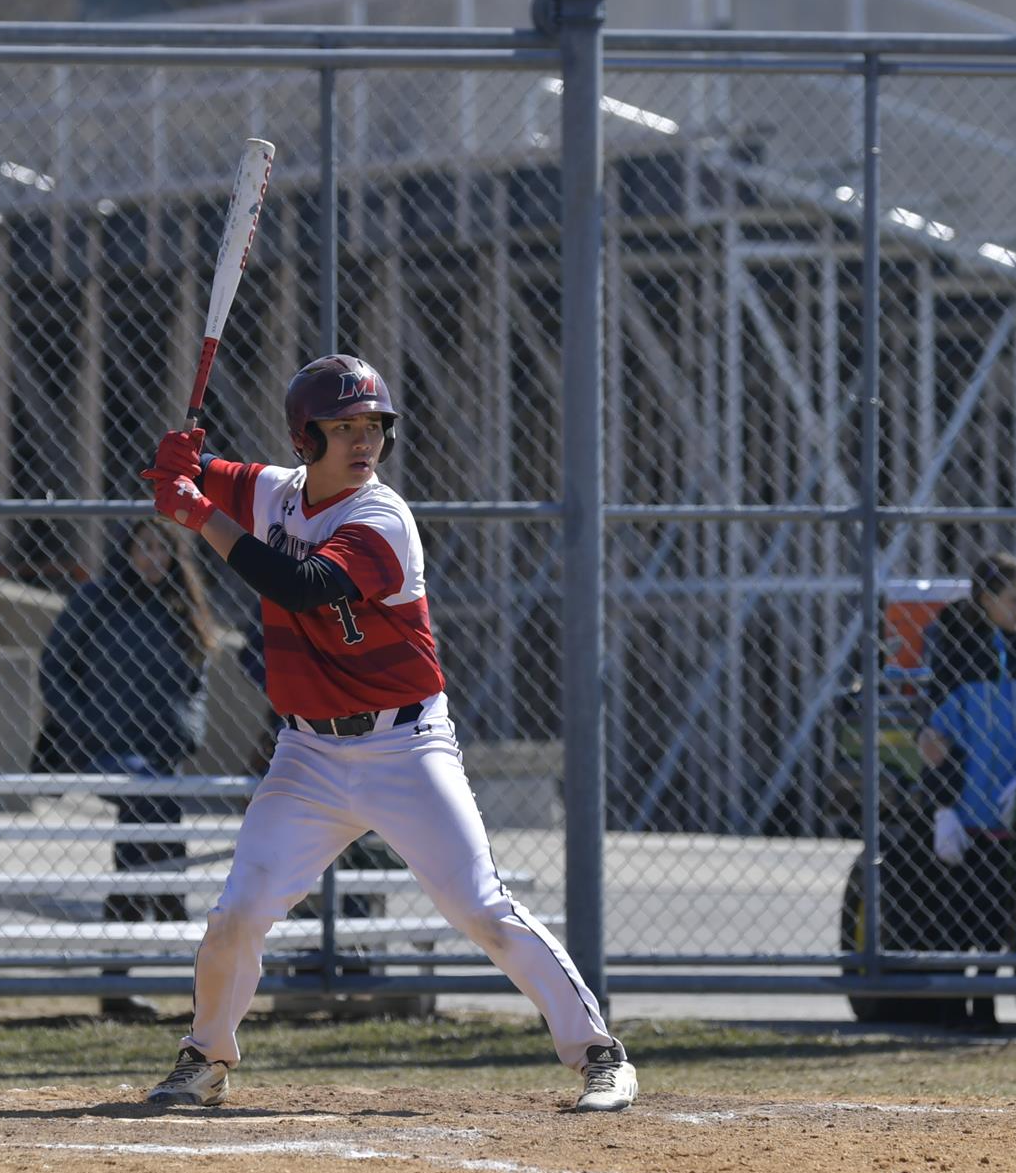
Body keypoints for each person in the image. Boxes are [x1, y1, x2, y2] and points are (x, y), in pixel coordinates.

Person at [137, 354, 636, 1113]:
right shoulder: (276, 491)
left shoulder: (381, 518)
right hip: (307, 752)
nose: (363, 442)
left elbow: (300, 587)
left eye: (373, 426)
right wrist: (182, 463)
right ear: (305, 440)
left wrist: (197, 511)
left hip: (405, 746)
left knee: (480, 907)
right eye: (343, 428)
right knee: (238, 912)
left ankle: (600, 1053)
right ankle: (203, 1058)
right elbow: (201, 470)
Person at [38, 519, 218, 944]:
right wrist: (87, 723)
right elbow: (52, 669)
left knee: (154, 802)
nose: (152, 558)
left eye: (162, 549)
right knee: (151, 799)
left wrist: (188, 727)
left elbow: (198, 682)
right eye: (144, 548)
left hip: (161, 751)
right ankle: (167, 919)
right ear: (127, 552)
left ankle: (126, 944)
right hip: (102, 747)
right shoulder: (98, 601)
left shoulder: (182, 607)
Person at [916, 552, 1016, 971]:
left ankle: (986, 999)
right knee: (959, 914)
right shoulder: (958, 659)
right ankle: (958, 1002)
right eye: (1015, 599)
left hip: (1013, 808)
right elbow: (938, 739)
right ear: (987, 599)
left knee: (999, 916)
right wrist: (944, 808)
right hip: (969, 812)